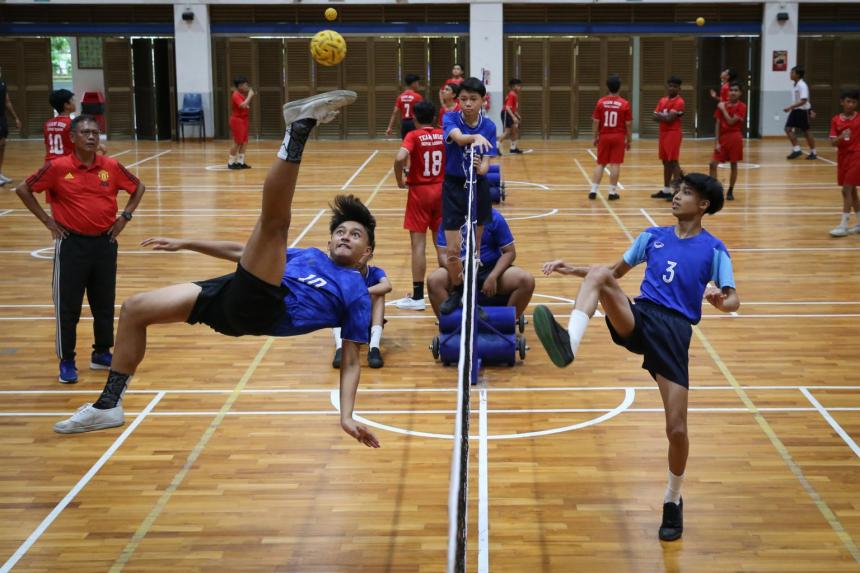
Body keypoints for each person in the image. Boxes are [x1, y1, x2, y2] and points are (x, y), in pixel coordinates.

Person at [50, 91, 380, 448]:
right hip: (231, 295)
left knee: (273, 224)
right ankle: (108, 405)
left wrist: (347, 415)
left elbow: (351, 361)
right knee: (135, 309)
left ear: (367, 253)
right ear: (329, 242)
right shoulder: (309, 255)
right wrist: (186, 242)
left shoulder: (356, 291)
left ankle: (298, 130)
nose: (345, 236)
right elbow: (242, 252)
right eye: (340, 231)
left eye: (355, 235)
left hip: (268, 307)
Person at [531, 172, 740, 543]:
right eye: (677, 190)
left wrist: (721, 302)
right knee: (599, 274)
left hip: (674, 332)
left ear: (703, 205)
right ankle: (569, 343)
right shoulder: (652, 237)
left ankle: (672, 499)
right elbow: (611, 274)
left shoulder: (714, 250)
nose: (676, 196)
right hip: (640, 317)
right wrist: (571, 268)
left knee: (677, 430)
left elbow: (734, 298)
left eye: (686, 193)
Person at [15, 115, 146, 384]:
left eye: (95, 132)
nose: (91, 137)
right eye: (85, 132)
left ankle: (101, 352)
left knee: (104, 302)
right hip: (71, 245)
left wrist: (124, 218)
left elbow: (139, 187)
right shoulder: (57, 167)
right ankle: (67, 360)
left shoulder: (110, 166)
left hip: (105, 243)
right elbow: (23, 189)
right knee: (68, 307)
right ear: (72, 138)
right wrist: (48, 221)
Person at [440, 77, 497, 314]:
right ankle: (458, 288)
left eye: (473, 99)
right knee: (453, 251)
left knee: (475, 250)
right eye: (463, 99)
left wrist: (479, 167)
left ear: (483, 100)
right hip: (453, 186)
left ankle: (472, 296)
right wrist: (474, 138)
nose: (468, 104)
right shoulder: (450, 118)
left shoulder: (489, 126)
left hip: (478, 187)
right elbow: (459, 138)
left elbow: (486, 166)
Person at [428, 208, 534, 319]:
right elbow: (442, 255)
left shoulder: (494, 217)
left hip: (489, 268)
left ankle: (506, 322)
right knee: (434, 280)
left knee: (526, 280)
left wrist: (493, 276)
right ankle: (451, 324)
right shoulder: (449, 218)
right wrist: (457, 274)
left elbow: (510, 252)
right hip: (459, 269)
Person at [392, 101, 444, 312]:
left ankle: (417, 297)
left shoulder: (413, 135)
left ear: (414, 118)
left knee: (418, 246)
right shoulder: (443, 134)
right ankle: (451, 290)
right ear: (434, 117)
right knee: (441, 244)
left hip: (419, 193)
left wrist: (399, 180)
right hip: (442, 191)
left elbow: (400, 157)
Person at [332, 252, 391, 368]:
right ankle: (340, 348)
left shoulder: (375, 272)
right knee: (336, 296)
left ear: (370, 256)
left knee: (379, 294)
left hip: (368, 325)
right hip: (348, 327)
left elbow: (387, 286)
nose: (358, 257)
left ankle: (374, 347)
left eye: (362, 253)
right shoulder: (344, 272)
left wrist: (362, 292)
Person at [589, 75, 632, 201]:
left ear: (607, 87)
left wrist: (595, 136)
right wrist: (629, 139)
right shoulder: (624, 103)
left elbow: (596, 121)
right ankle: (612, 192)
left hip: (604, 135)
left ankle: (593, 190)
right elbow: (628, 123)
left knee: (601, 163)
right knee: (615, 164)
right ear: (620, 87)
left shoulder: (601, 102)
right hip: (618, 136)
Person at [828, 89, 860, 237]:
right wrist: (841, 136)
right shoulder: (836, 120)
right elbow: (833, 142)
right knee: (852, 192)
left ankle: (843, 226)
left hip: (857, 156)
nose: (851, 104)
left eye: (854, 102)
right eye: (848, 101)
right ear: (842, 102)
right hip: (843, 158)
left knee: (846, 190)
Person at [709, 82, 746, 201]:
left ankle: (730, 190)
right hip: (723, 138)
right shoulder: (722, 105)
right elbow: (717, 124)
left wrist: (723, 108)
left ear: (740, 93)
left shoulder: (742, 106)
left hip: (735, 138)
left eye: (736, 90)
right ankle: (714, 189)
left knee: (733, 164)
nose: (733, 92)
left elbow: (730, 121)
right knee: (712, 164)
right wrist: (717, 142)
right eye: (731, 90)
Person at [651, 76, 685, 201]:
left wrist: (661, 116)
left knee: (673, 161)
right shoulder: (662, 100)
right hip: (663, 133)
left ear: (679, 88)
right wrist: (664, 116)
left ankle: (677, 191)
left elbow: (669, 119)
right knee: (665, 161)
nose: (672, 88)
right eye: (670, 86)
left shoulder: (679, 102)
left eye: (675, 86)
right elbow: (653, 116)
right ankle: (666, 190)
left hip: (673, 133)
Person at [784, 66, 817, 160]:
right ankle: (797, 149)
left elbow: (804, 100)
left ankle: (813, 152)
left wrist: (790, 107)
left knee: (806, 132)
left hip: (802, 111)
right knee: (788, 128)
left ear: (798, 75)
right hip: (796, 110)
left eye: (792, 72)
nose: (790, 74)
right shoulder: (796, 85)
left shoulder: (802, 85)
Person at [0, 65, 23, 186]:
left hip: (2, 119)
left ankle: (0, 173)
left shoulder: (2, 84)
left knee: (2, 145)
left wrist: (16, 118)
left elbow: (7, 101)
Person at [228, 76, 255, 170]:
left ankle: (240, 162)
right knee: (237, 142)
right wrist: (250, 96)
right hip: (237, 120)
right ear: (240, 86)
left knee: (244, 142)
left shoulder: (242, 95)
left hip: (244, 120)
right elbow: (242, 105)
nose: (247, 86)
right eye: (245, 85)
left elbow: (245, 106)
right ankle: (231, 162)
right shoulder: (235, 95)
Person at [386, 73, 423, 139]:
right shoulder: (418, 97)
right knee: (416, 142)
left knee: (406, 142)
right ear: (413, 84)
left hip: (404, 123)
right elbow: (422, 112)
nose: (418, 84)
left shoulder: (400, 97)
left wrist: (389, 127)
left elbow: (395, 112)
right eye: (417, 82)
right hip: (414, 123)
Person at [498, 79, 524, 155]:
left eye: (520, 86)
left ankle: (513, 148)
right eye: (518, 86)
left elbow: (513, 109)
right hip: (506, 113)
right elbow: (507, 107)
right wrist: (513, 117)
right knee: (507, 132)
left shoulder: (515, 95)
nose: (520, 87)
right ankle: (495, 147)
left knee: (515, 130)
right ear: (513, 87)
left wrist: (517, 115)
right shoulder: (511, 94)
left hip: (510, 113)